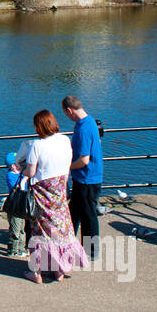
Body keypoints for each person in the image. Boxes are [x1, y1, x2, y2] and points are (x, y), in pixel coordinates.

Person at [22, 109, 89, 283]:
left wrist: (19, 169)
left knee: (39, 232)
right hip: (60, 191)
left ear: (39, 126)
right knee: (61, 230)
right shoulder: (65, 140)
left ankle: (36, 272)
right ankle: (59, 269)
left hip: (42, 194)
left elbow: (31, 171)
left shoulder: (37, 145)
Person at [63, 95, 105, 257]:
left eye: (66, 114)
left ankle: (91, 252)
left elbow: (84, 159)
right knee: (75, 212)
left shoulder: (84, 128)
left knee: (88, 216)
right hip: (84, 178)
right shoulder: (88, 122)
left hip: (87, 178)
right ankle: (68, 244)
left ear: (69, 110)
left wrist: (66, 167)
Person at [4, 150, 27, 256]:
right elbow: (19, 188)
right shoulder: (10, 176)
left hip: (22, 204)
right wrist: (26, 177)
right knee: (15, 229)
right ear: (13, 165)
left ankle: (21, 248)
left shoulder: (22, 173)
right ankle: (12, 249)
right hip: (15, 205)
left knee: (22, 228)